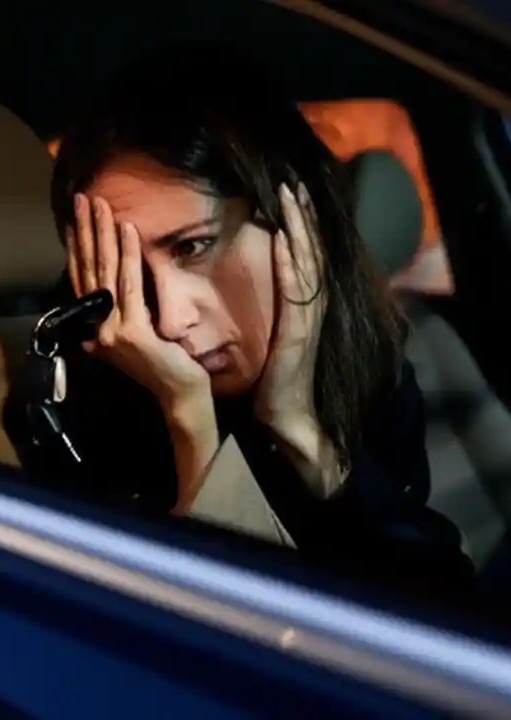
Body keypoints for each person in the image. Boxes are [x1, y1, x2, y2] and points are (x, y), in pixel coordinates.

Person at [44, 47, 474, 596]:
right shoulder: (79, 418)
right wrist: (189, 421)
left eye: (195, 246)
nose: (172, 319)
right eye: (129, 277)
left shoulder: (371, 364)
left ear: (293, 222)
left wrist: (298, 429)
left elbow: (441, 604)